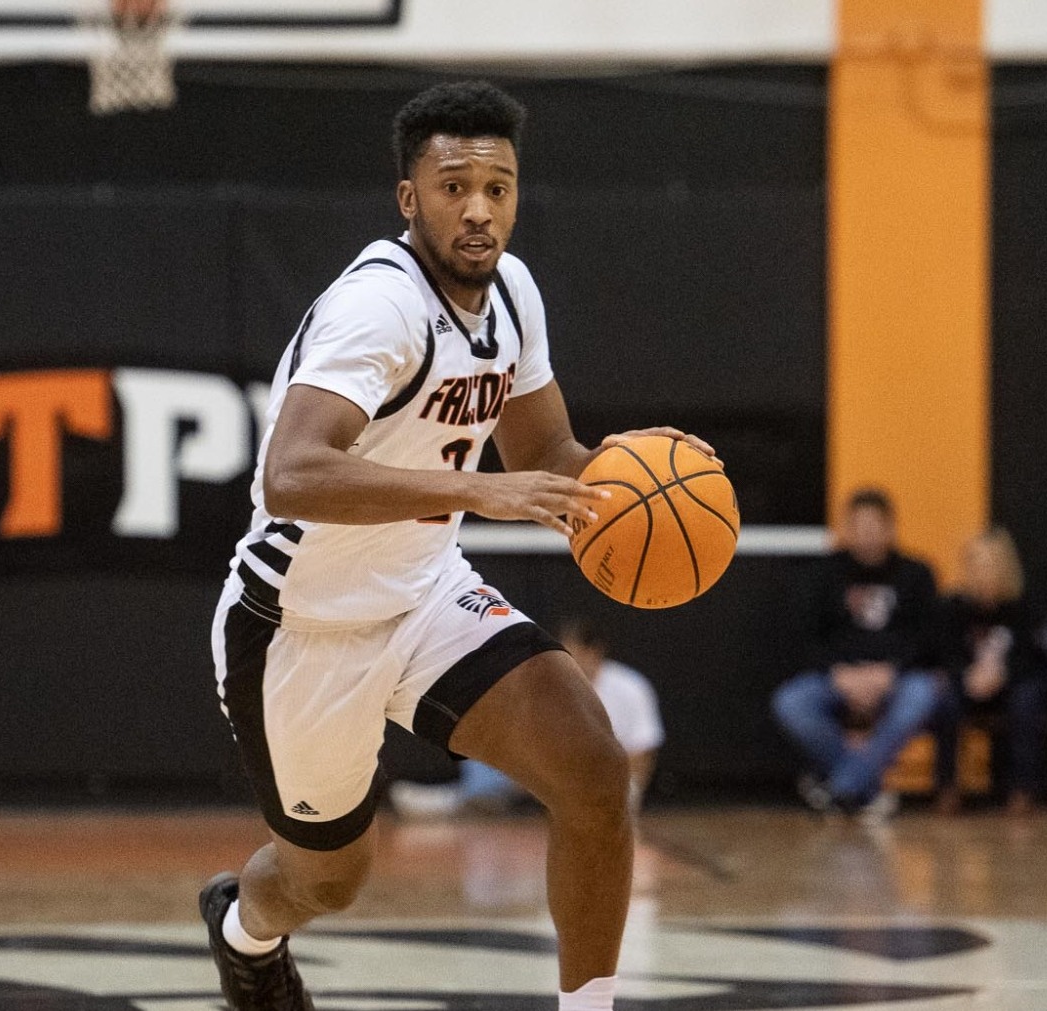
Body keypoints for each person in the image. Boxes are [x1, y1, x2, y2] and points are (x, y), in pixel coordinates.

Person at [201, 80, 717, 1011]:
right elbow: (293, 474)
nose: (479, 209)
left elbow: (549, 457)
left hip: (426, 590)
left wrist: (653, 473)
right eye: (453, 187)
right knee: (328, 880)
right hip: (301, 625)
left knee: (594, 769)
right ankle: (244, 925)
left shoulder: (513, 294)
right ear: (410, 199)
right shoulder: (379, 309)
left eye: (499, 186)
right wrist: (481, 489)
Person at [770, 487, 942, 818]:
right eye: (858, 525)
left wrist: (888, 672)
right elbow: (805, 637)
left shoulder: (917, 574)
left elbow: (928, 639)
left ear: (891, 528)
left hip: (897, 677)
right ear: (846, 529)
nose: (866, 534)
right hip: (837, 677)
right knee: (791, 702)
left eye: (874, 525)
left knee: (921, 696)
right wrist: (841, 674)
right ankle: (865, 784)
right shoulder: (823, 574)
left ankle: (842, 789)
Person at [394, 617, 666, 815]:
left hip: (607, 780)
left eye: (574, 649)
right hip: (552, 778)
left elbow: (644, 748)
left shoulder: (630, 686)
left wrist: (632, 791)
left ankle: (459, 801)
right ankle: (457, 800)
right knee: (488, 763)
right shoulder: (557, 683)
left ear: (594, 651)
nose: (569, 656)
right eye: (565, 648)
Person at [931, 528, 1047, 816]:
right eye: (977, 565)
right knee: (946, 700)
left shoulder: (1028, 607)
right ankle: (947, 787)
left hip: (1015, 684)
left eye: (991, 565)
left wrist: (1003, 674)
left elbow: (1037, 659)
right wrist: (967, 675)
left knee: (1026, 699)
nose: (984, 573)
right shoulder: (952, 607)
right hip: (971, 684)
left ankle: (1022, 789)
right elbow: (944, 653)